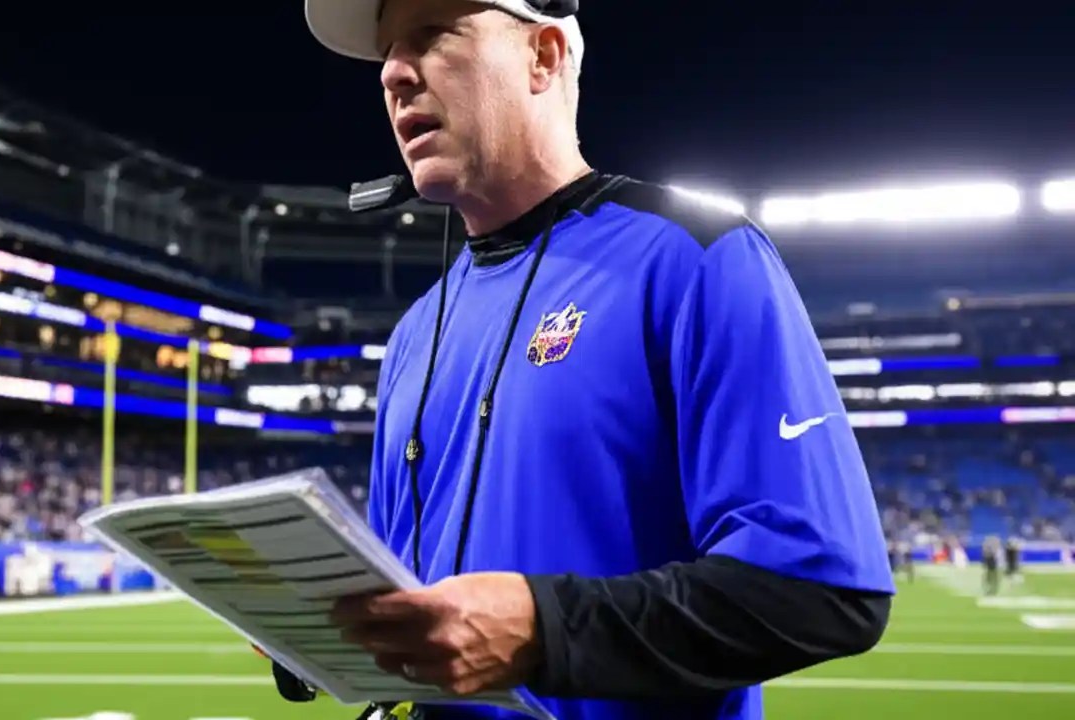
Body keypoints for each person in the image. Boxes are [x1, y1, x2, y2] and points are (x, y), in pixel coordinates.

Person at [301, 2, 895, 719]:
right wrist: (315, 626)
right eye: (390, 51)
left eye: (433, 36)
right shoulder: (413, 334)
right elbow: (418, 602)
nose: (394, 71)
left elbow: (826, 589)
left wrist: (544, 629)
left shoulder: (695, 256)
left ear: (543, 57)